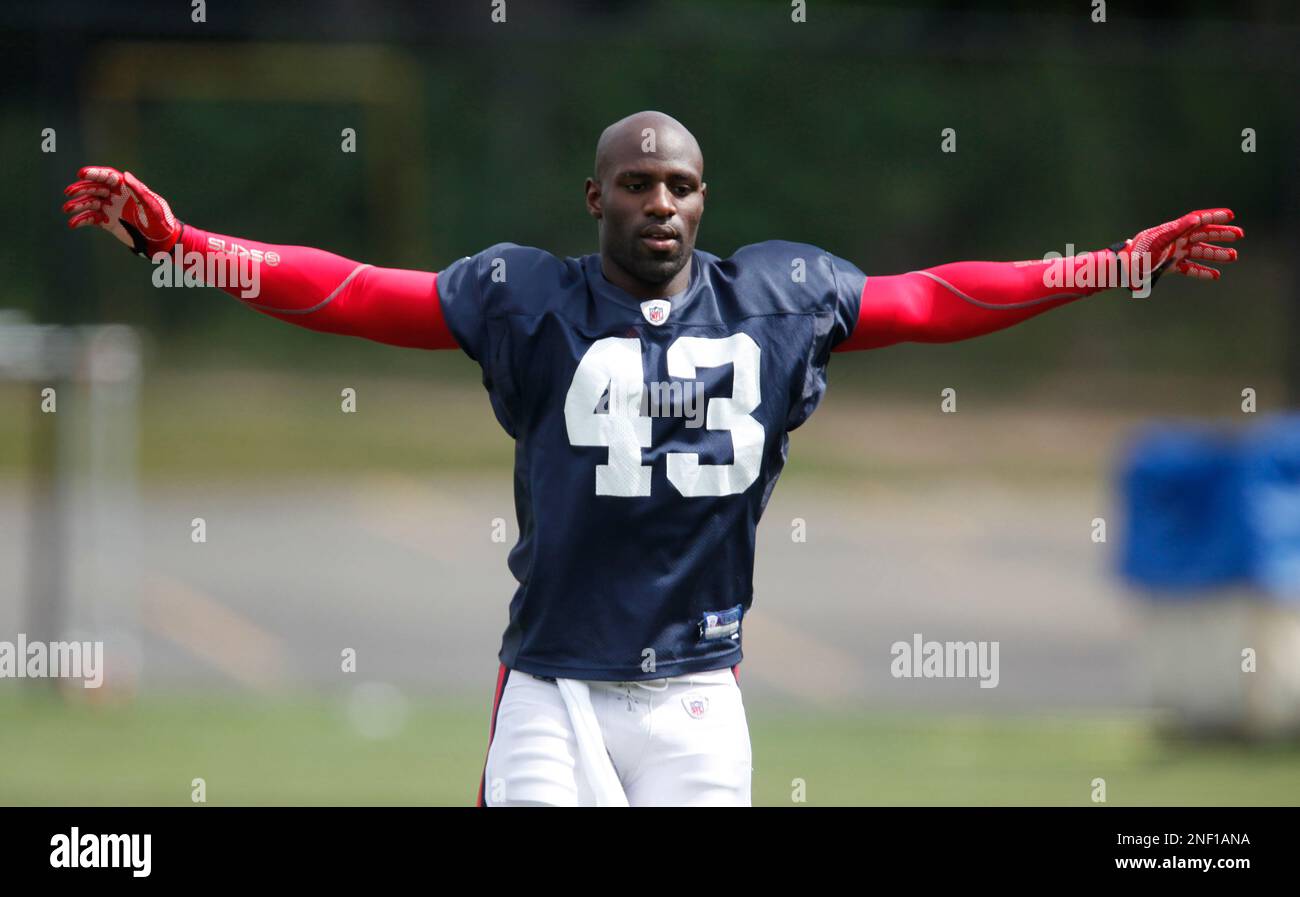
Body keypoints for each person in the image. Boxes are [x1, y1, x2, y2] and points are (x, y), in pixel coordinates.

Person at [63, 110, 1242, 806]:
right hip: (552, 684)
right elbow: (354, 291)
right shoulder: (527, 299)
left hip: (693, 694)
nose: (661, 204)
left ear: (703, 199)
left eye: (680, 185)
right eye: (637, 185)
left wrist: (1110, 264)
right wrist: (187, 247)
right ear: (596, 199)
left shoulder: (776, 299)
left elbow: (936, 299)